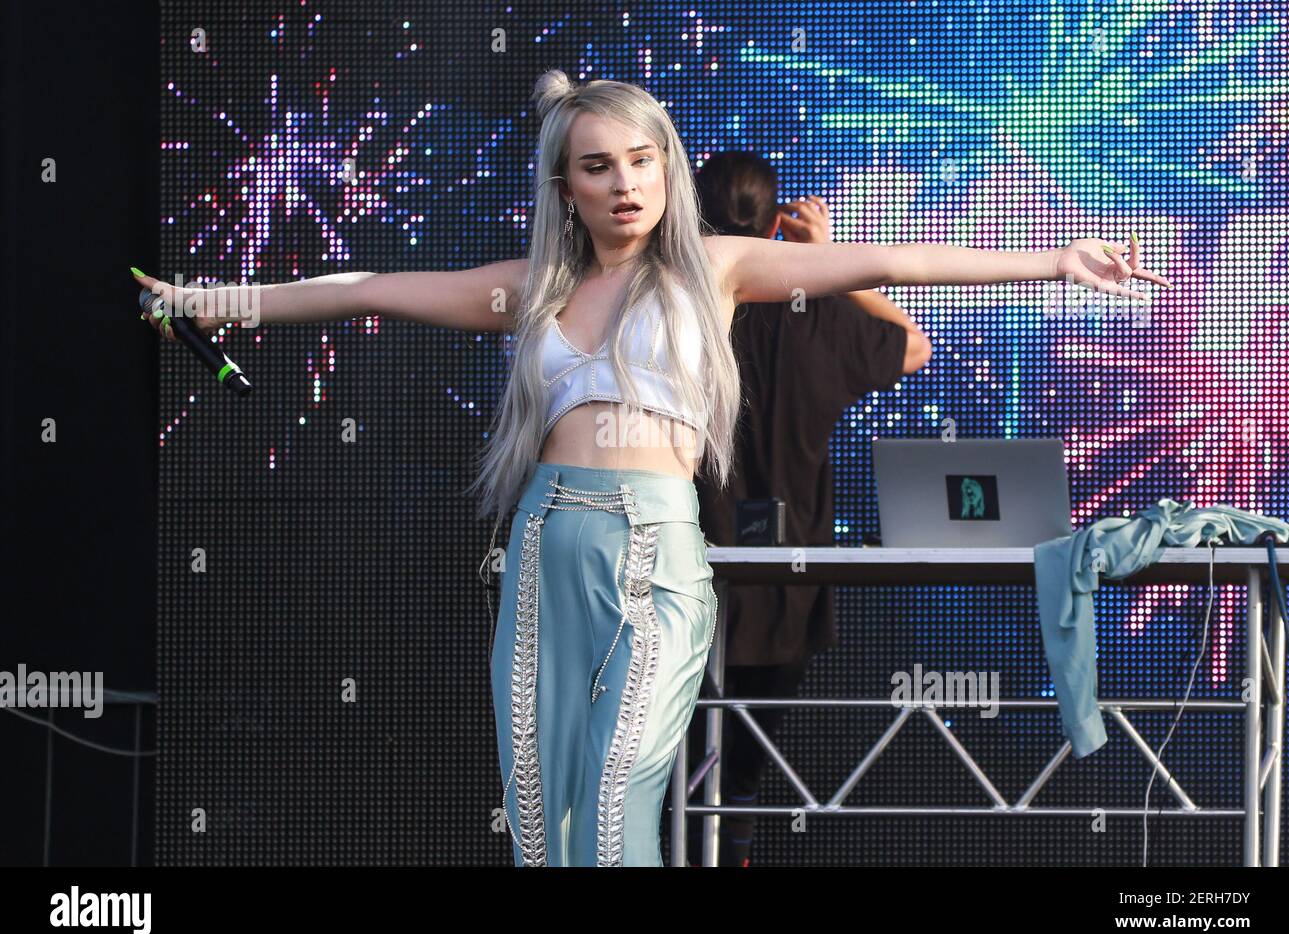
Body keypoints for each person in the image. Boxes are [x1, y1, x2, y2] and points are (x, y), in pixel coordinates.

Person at [132, 69, 1172, 867]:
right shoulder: (530, 287)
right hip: (544, 541)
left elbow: (889, 263)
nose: (624, 183)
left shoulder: (719, 267)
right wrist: (215, 300)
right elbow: (373, 287)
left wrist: (1054, 258)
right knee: (539, 812)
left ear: (667, 169)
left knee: (627, 780)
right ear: (565, 185)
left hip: (656, 549)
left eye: (641, 160)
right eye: (597, 166)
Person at [687, 153, 931, 866]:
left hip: (684, 572)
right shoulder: (819, 312)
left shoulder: (673, 310)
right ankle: (732, 839)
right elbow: (914, 345)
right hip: (786, 580)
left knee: (669, 755)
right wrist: (832, 260)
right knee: (744, 763)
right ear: (776, 223)